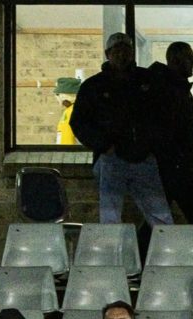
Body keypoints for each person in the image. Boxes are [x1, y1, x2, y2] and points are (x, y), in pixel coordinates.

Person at [71, 32, 174, 229]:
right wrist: (104, 145)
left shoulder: (148, 81)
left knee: (161, 217)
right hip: (112, 159)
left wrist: (153, 146)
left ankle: (166, 257)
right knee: (110, 218)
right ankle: (113, 258)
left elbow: (164, 115)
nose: (121, 55)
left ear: (132, 53)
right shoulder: (94, 86)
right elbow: (79, 122)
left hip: (144, 158)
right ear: (107, 54)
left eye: (126, 50)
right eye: (116, 51)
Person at [146, 42, 193, 226]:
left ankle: (139, 253)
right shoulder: (170, 90)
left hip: (174, 165)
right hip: (175, 166)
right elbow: (176, 131)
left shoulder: (171, 87)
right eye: (190, 58)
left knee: (158, 220)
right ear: (175, 60)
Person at [54, 77, 81, 145]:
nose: (57, 98)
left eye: (58, 94)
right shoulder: (71, 110)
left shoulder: (71, 112)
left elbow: (67, 137)